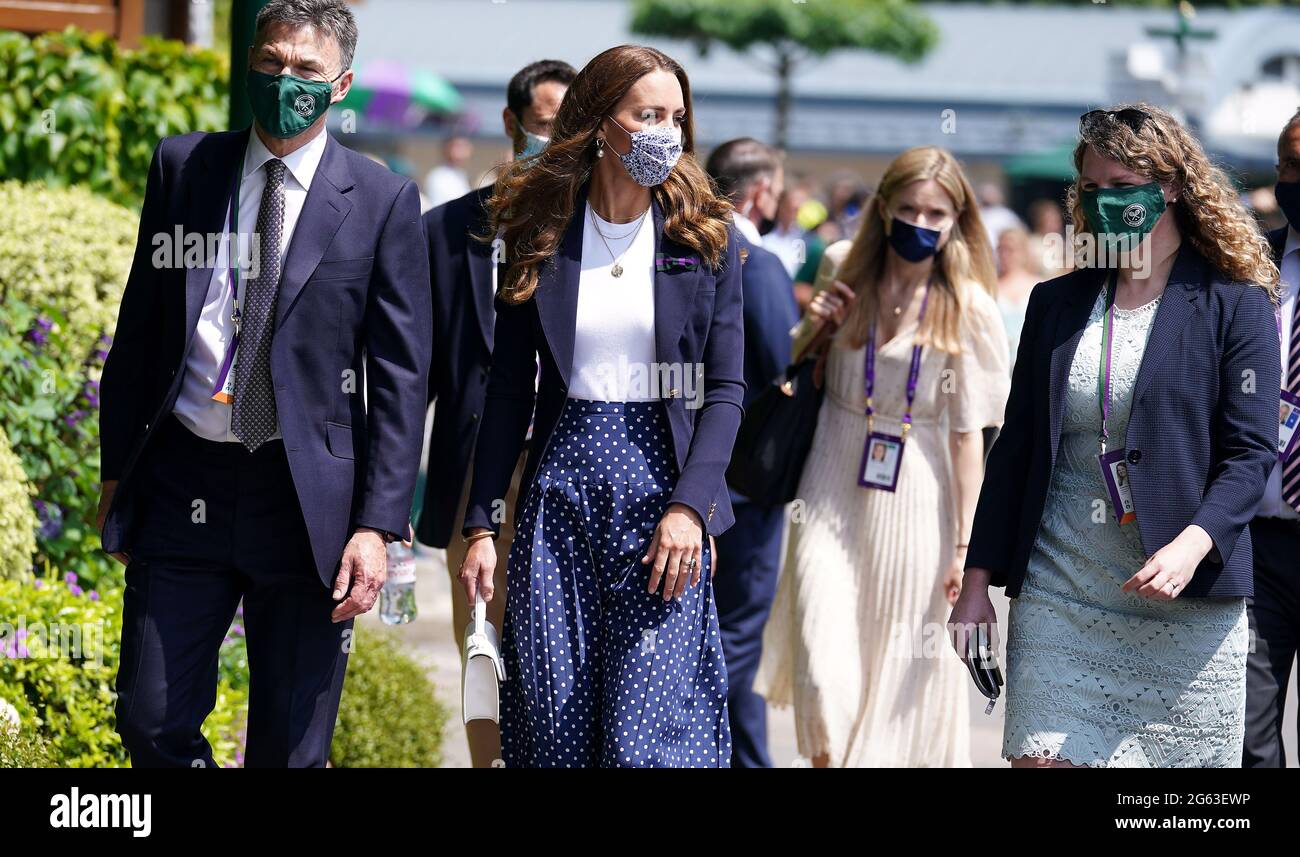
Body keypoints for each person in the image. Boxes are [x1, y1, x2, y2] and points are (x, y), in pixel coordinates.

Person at [96, 0, 432, 767]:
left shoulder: (381, 201)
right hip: (185, 477)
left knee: (290, 751)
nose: (285, 81)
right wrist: (118, 472)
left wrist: (378, 526)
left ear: (340, 84)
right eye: (271, 61)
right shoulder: (184, 167)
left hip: (307, 500)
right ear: (249, 61)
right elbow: (141, 326)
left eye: (307, 69)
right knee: (149, 719)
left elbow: (402, 376)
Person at [953, 103, 1281, 768]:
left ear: (1172, 186)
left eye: (1124, 186)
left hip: (1184, 601)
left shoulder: (1233, 301)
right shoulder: (1057, 303)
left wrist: (1195, 542)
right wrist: (974, 583)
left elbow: (1252, 454)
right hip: (1060, 593)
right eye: (1094, 189)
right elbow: (1015, 450)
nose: (1107, 202)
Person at [456, 44, 744, 768]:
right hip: (559, 501)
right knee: (555, 733)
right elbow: (508, 390)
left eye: (677, 117)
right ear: (599, 122)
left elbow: (727, 390)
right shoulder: (540, 230)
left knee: (647, 741)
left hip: (665, 501)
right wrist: (482, 522)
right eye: (648, 114)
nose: (667, 133)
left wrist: (691, 507)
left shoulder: (704, 236)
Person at [757, 146, 1010, 767]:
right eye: (907, 209)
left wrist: (963, 548)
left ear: (957, 220)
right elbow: (793, 369)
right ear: (883, 208)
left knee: (901, 673)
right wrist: (813, 325)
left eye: (936, 212)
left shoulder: (969, 306)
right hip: (830, 474)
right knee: (823, 664)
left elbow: (967, 435)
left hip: (921, 490)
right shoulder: (843, 267)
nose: (920, 223)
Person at [417, 59, 575, 768]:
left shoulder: (604, 227)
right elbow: (408, 372)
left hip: (570, 468)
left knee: (562, 653)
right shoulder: (446, 231)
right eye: (547, 127)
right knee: (482, 643)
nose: (560, 143)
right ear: (513, 126)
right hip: (476, 471)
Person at [704, 138, 800, 768]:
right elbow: (781, 365)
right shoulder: (755, 261)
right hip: (746, 482)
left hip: (697, 477)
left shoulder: (687, 247)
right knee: (738, 633)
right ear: (761, 191)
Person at [1243, 109, 1300, 768]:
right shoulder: (1247, 267)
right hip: (1255, 542)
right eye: (1288, 165)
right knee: (1247, 744)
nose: (1295, 179)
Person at [994, 227, 1040, 366]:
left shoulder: (1039, 286)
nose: (1005, 254)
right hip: (999, 363)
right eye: (1001, 249)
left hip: (1031, 361)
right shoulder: (990, 287)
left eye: (1010, 249)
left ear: (1023, 252)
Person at [424, 135, 474, 208]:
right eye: (458, 147)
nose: (463, 151)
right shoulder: (437, 175)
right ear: (447, 149)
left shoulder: (462, 174)